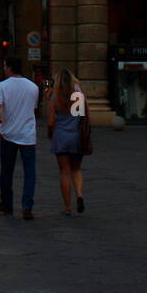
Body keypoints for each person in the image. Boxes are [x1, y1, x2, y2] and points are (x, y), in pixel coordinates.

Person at [0, 56, 39, 219]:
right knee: (29, 172)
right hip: (28, 135)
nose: (4, 69)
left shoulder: (2, 86)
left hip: (9, 134)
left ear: (9, 67)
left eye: (4, 66)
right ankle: (27, 206)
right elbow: (33, 109)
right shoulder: (33, 87)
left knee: (6, 171)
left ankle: (7, 203)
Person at [47, 69, 86, 216]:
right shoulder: (78, 95)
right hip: (76, 136)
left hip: (61, 137)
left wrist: (51, 132)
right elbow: (81, 117)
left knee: (64, 172)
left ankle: (68, 207)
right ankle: (80, 194)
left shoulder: (55, 97)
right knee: (76, 169)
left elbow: (51, 122)